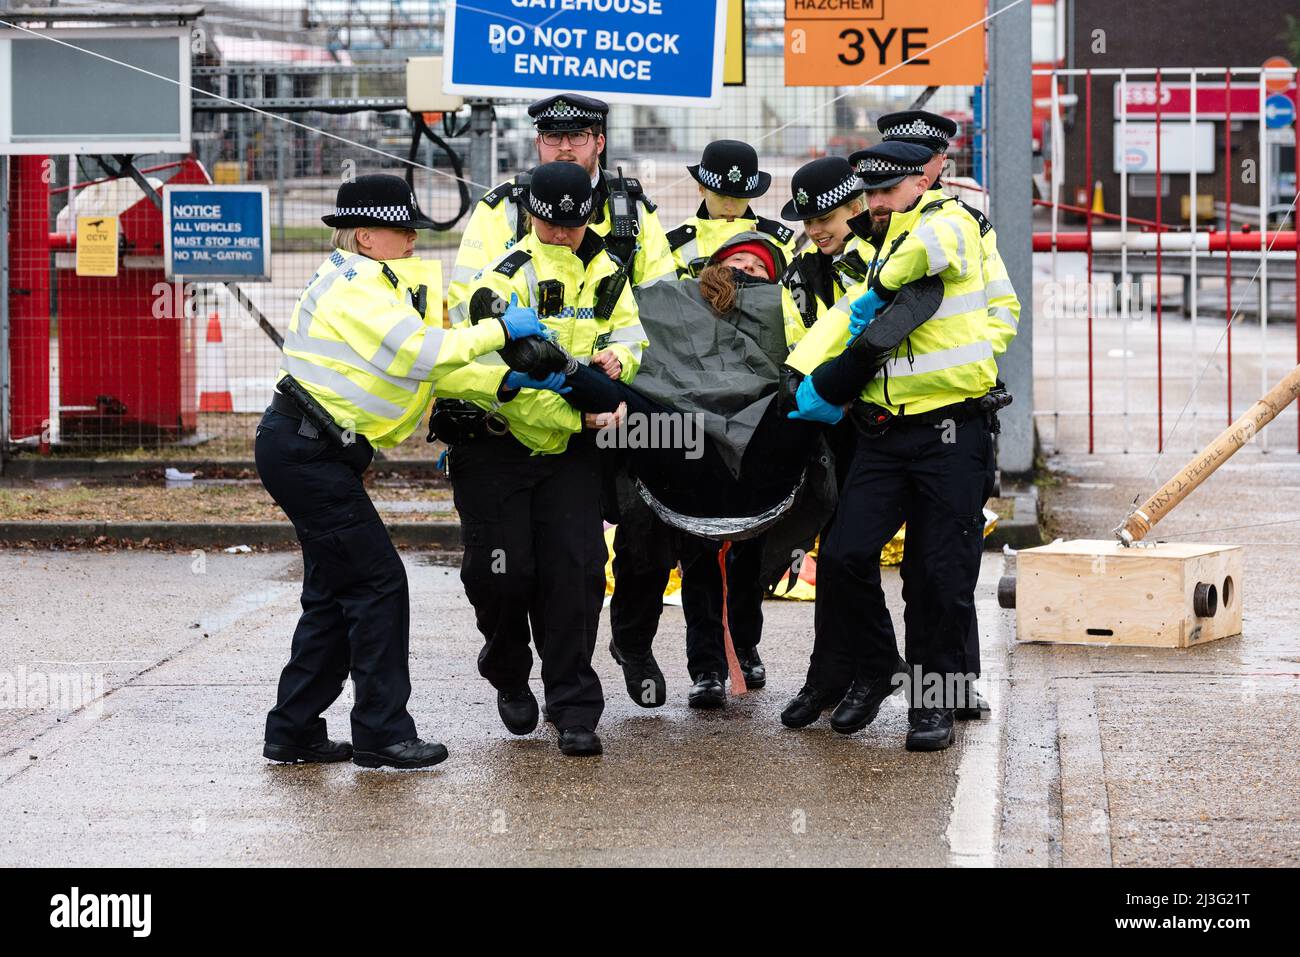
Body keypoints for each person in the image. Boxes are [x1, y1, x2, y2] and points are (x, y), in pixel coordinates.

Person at [258, 173, 550, 770]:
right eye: (402, 228)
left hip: (308, 448)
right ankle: (382, 733)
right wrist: (499, 331)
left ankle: (293, 731)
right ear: (365, 236)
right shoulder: (357, 290)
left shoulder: (368, 276)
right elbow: (422, 352)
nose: (414, 238)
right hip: (309, 453)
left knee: (332, 594)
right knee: (378, 585)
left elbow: (428, 369)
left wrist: (503, 380)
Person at [521, 236, 823, 710]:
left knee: (739, 560)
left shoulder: (782, 310)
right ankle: (641, 646)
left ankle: (729, 654)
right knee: (648, 550)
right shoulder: (677, 307)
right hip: (674, 444)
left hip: (747, 452)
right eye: (735, 261)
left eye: (758, 267)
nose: (745, 271)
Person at [784, 140, 1016, 752]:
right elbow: (845, 320)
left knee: (939, 575)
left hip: (952, 430)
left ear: (919, 181)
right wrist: (807, 372)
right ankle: (882, 662)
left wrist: (883, 285)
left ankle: (934, 703)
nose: (878, 203)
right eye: (872, 193)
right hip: (885, 431)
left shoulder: (951, 221)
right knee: (842, 556)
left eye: (888, 191)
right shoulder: (879, 236)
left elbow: (929, 258)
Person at [434, 162, 647, 758]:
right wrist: (569, 407)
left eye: (574, 225)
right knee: (502, 574)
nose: (562, 235)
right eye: (551, 224)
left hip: (572, 451)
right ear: (530, 216)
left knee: (577, 576)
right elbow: (473, 374)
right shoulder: (499, 280)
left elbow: (630, 337)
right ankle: (505, 665)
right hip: (497, 446)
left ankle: (574, 705)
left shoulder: (608, 268)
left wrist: (615, 364)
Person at [876, 110, 1021, 719]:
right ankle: (898, 677)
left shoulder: (964, 221)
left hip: (955, 414)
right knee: (909, 570)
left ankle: (954, 690)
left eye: (932, 157)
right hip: (884, 421)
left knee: (947, 570)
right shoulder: (872, 219)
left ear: (938, 165)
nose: (928, 167)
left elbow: (1000, 304)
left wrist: (975, 361)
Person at [446, 93, 675, 314]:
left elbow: (663, 303)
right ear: (538, 143)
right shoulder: (503, 207)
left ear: (599, 143)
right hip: (525, 350)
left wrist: (621, 349)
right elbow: (468, 301)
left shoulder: (633, 208)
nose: (565, 146)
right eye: (553, 136)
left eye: (577, 135)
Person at [667, 139, 795, 278]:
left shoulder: (774, 241)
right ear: (701, 188)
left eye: (739, 197)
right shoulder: (676, 244)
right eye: (720, 195)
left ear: (750, 196)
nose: (729, 207)